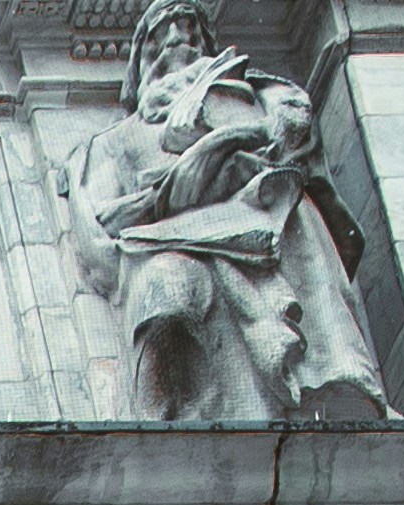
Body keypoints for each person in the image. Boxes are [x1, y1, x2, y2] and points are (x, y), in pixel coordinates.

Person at [63, 0, 381, 426]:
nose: (176, 43)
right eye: (159, 39)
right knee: (164, 291)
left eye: (189, 33)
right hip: (166, 243)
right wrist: (185, 182)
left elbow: (287, 146)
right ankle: (176, 426)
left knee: (293, 212)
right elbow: (107, 227)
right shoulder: (115, 141)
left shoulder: (264, 95)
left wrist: (215, 148)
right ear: (142, 63)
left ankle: (315, 387)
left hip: (261, 218)